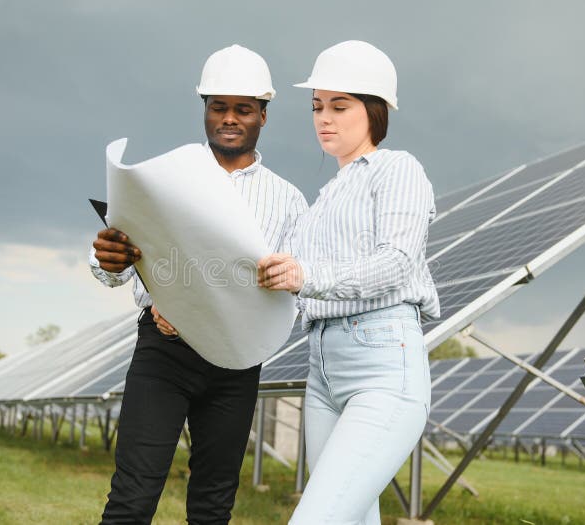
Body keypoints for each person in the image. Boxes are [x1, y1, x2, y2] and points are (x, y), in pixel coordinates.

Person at [91, 44, 308, 524]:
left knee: (213, 504)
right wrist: (106, 256)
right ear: (205, 109)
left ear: (263, 116)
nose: (229, 118)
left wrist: (290, 279)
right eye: (218, 107)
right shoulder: (165, 179)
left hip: (236, 363)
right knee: (132, 497)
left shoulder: (290, 202)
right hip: (164, 354)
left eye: (243, 109)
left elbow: (299, 288)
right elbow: (114, 266)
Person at [257, 40, 439, 525]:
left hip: (382, 364)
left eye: (340, 106)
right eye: (317, 106)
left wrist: (306, 275)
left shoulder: (398, 169)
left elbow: (397, 261)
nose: (324, 117)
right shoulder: (319, 203)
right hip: (321, 373)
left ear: (375, 112)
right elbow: (291, 286)